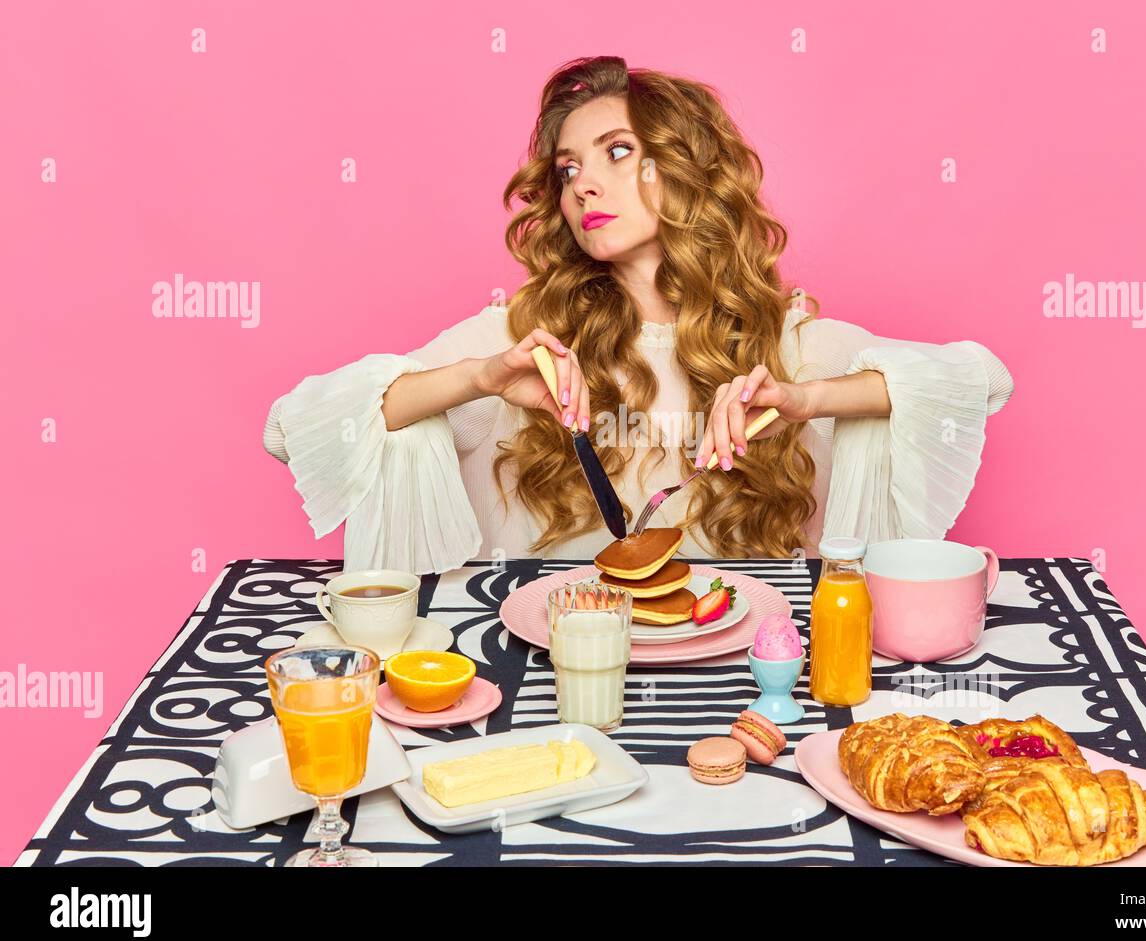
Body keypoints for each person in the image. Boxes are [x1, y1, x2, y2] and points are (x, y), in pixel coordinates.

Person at [262, 56, 1014, 575]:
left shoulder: (780, 340)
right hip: (555, 685)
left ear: (684, 168)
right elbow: (288, 429)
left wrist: (805, 400)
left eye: (616, 152)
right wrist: (478, 378)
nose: (584, 184)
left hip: (743, 680)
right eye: (567, 169)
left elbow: (981, 383)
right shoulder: (529, 340)